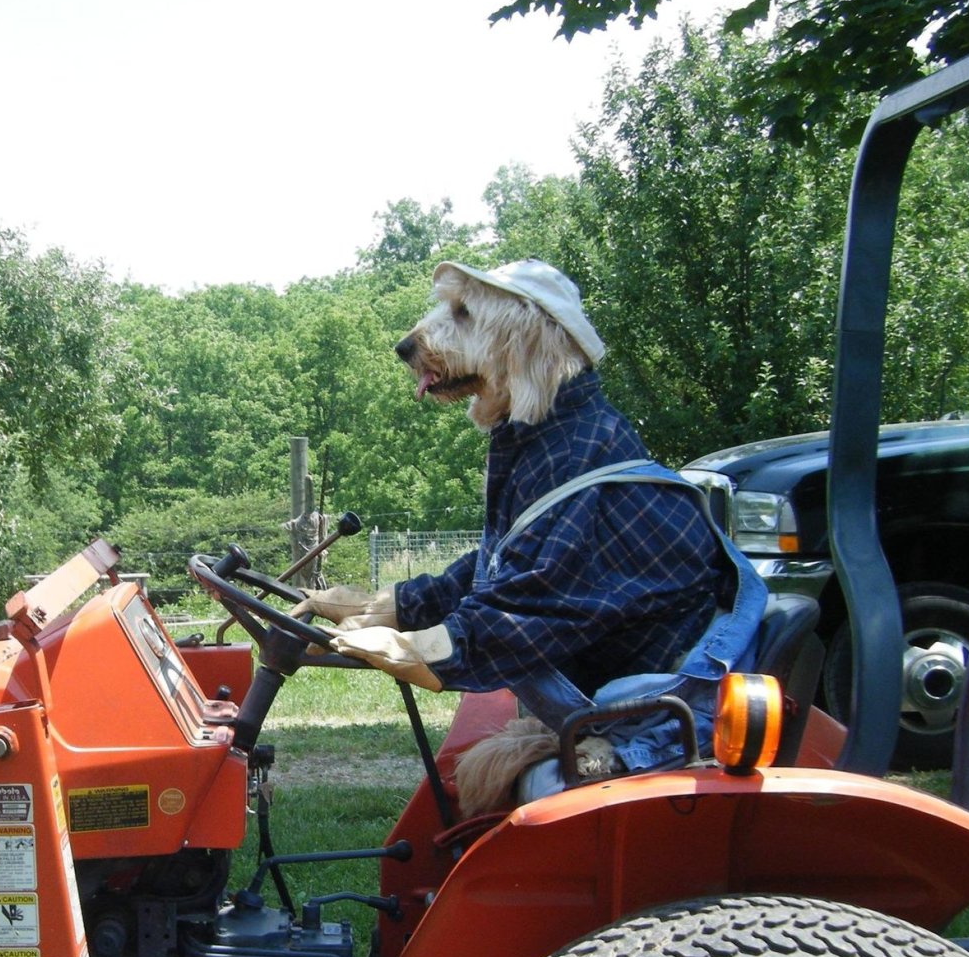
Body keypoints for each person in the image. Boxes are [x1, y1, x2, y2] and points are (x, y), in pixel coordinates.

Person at [297, 259, 764, 805]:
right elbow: (501, 564)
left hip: (654, 724)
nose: (416, 342)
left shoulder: (583, 460)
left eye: (463, 315)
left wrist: (416, 647)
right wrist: (390, 606)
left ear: (524, 342)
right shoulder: (557, 441)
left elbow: (531, 605)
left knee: (480, 777)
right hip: (617, 697)